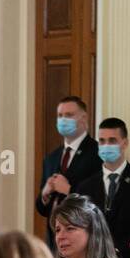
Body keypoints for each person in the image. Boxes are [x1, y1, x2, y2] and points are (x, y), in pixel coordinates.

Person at [72, 117, 130, 258]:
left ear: (125, 143)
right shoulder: (85, 187)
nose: (106, 145)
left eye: (112, 140)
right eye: (102, 141)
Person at [36, 96, 101, 249]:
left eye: (69, 115)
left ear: (83, 118)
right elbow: (41, 208)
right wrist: (45, 194)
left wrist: (69, 190)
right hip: (55, 243)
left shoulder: (97, 153)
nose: (63, 120)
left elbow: (99, 200)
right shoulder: (51, 158)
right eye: (60, 116)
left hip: (84, 242)